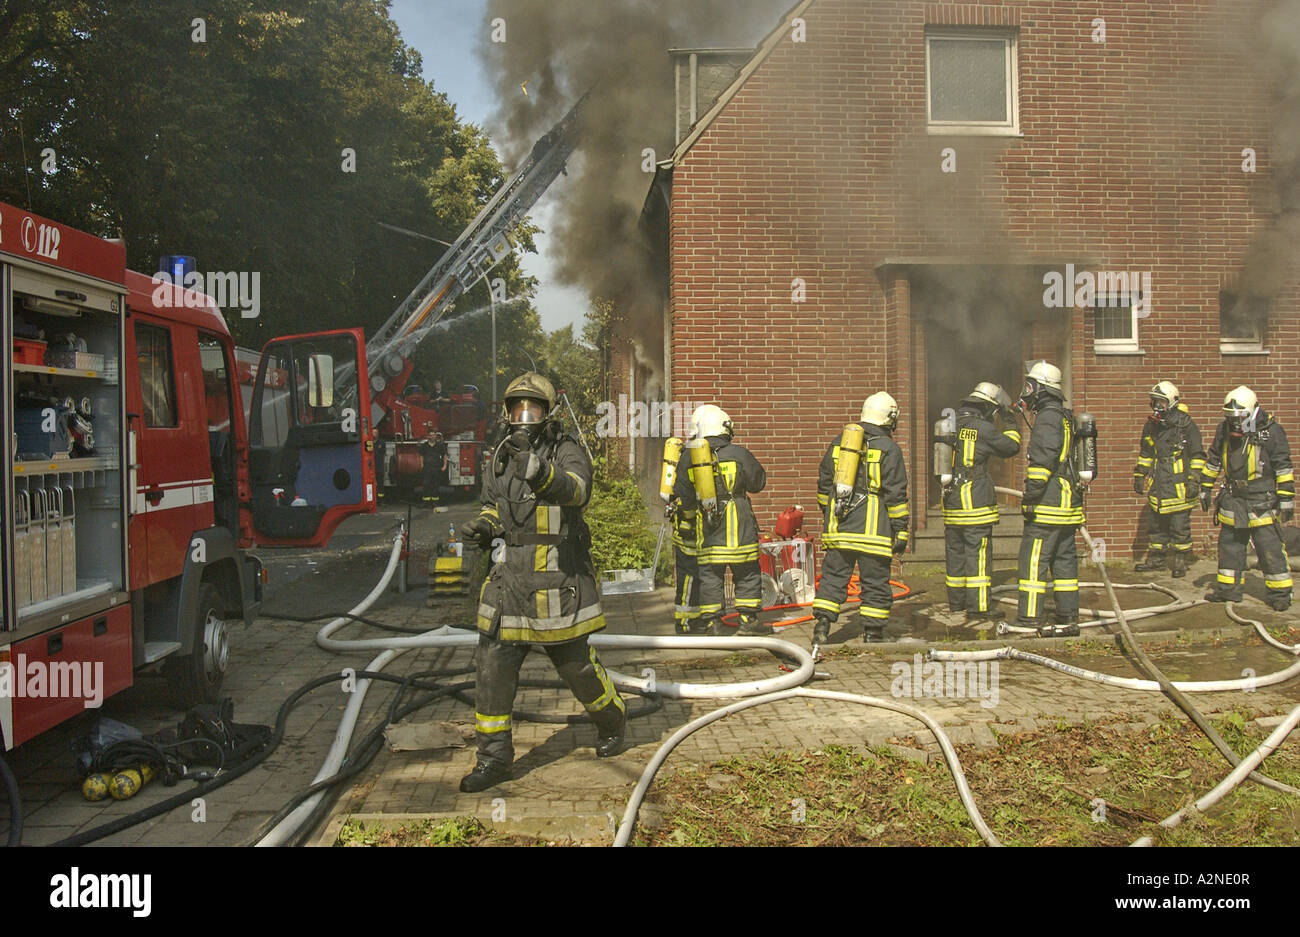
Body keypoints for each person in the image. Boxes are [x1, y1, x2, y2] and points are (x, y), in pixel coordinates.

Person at [456, 372, 625, 792]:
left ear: (547, 414)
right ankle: (493, 761)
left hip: (556, 585)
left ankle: (612, 719)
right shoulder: (499, 456)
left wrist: (538, 471)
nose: (524, 416)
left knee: (578, 670)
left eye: (532, 408)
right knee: (492, 668)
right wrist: (484, 526)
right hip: (508, 584)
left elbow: (578, 490)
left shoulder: (566, 449)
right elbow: (494, 506)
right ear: (508, 413)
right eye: (517, 408)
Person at [812, 392, 910, 645]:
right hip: (873, 531)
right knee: (875, 581)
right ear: (890, 418)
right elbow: (895, 493)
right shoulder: (889, 448)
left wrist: (831, 517)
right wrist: (900, 530)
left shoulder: (838, 443)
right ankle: (873, 634)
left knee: (833, 577)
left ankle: (821, 629)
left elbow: (824, 486)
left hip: (839, 527)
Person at [673, 404, 770, 635]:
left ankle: (712, 623)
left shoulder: (688, 458)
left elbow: (683, 495)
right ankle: (748, 621)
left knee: (710, 576)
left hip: (707, 527)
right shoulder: (740, 454)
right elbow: (758, 483)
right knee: (746, 572)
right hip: (741, 526)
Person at [1199, 386, 1293, 610]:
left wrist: (1287, 500)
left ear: (1252, 412)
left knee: (1268, 546)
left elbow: (1283, 466)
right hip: (1233, 498)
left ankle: (1280, 595)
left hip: (1262, 499)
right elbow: (1214, 459)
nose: (1234, 422)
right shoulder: (1224, 429)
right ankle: (1229, 590)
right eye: (1229, 417)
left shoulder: (1271, 431)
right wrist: (1204, 487)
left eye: (1238, 417)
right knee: (1230, 545)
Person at [941, 382, 1021, 624]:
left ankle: (957, 604)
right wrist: (1010, 421)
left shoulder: (949, 426)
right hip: (975, 502)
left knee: (955, 554)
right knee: (978, 555)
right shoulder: (983, 429)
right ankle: (979, 607)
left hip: (952, 502)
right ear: (987, 408)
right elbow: (1011, 447)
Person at [1015, 361, 1085, 637]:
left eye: (1030, 386)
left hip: (1048, 503)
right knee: (1064, 560)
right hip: (1068, 504)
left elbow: (1042, 461)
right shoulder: (1064, 416)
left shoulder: (1047, 417)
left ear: (1042, 389)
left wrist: (1030, 496)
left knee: (1033, 561)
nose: (1027, 392)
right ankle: (1068, 614)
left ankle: (1029, 616)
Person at [1132, 381, 1204, 578]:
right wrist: (1140, 474)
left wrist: (1194, 480)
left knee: (1179, 526)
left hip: (1179, 483)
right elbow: (1146, 452)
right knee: (1156, 525)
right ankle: (1157, 559)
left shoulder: (1186, 424)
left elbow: (1198, 454)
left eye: (1161, 402)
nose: (1157, 406)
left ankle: (1180, 561)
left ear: (1171, 402)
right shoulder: (1151, 425)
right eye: (1154, 402)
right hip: (1158, 483)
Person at [666, 444, 704, 634]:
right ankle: (685, 623)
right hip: (692, 527)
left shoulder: (685, 455)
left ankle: (692, 620)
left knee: (691, 575)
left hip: (685, 526)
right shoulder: (697, 455)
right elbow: (685, 490)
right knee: (690, 575)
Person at [421, 432, 449, 502]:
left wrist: (444, 466)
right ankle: (426, 501)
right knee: (426, 484)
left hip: (436, 468)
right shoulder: (425, 445)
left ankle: (435, 502)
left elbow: (444, 456)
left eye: (433, 435)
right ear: (428, 437)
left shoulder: (439, 445)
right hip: (427, 468)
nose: (432, 437)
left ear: (436, 436)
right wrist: (421, 465)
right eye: (431, 435)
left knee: (435, 485)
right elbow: (421, 455)